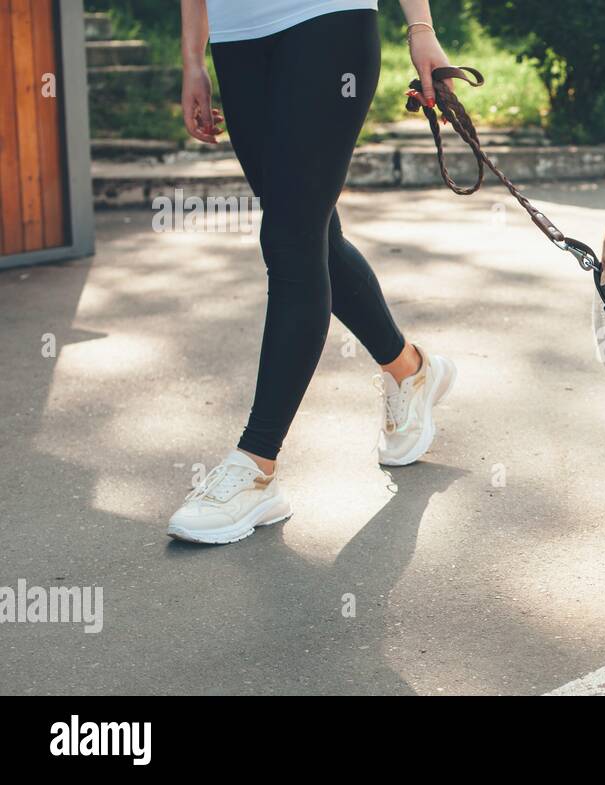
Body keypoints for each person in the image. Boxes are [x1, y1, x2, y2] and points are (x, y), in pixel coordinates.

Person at [167, 0, 457, 544]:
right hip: (237, 35)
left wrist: (421, 29)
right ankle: (411, 369)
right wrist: (193, 59)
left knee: (288, 238)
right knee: (310, 234)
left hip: (327, 19)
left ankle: (257, 467)